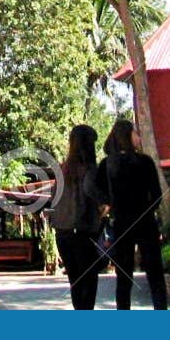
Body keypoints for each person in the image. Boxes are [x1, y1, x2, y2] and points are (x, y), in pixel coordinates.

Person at [96, 119, 168, 311]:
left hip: (122, 223)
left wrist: (112, 205)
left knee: (124, 276)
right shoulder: (145, 161)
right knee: (155, 273)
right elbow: (157, 196)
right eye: (136, 133)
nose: (138, 137)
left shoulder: (106, 164)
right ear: (127, 136)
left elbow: (97, 191)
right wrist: (146, 211)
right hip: (146, 222)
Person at [48, 123, 104, 309]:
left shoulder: (61, 171)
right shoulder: (90, 170)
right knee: (89, 283)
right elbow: (96, 196)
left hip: (63, 234)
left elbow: (53, 202)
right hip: (85, 233)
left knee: (76, 283)